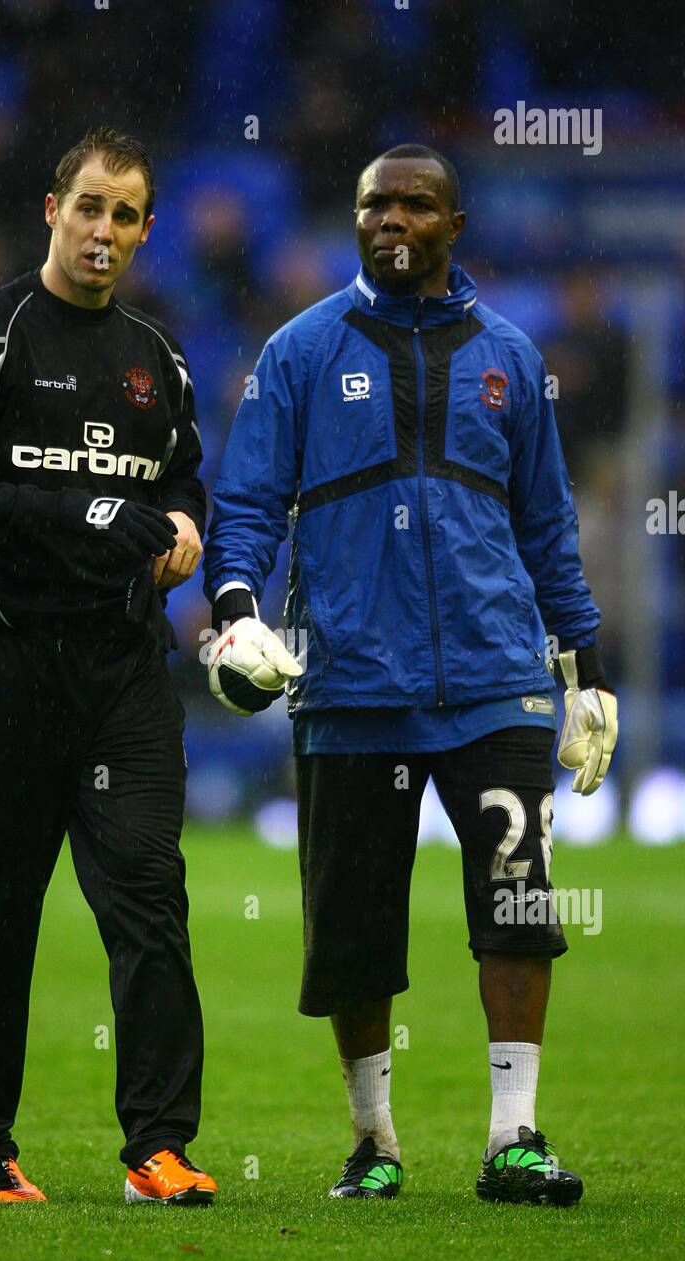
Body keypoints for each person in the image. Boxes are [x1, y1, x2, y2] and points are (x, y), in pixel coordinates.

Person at [203, 144, 617, 1206]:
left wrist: (588, 667)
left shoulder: (513, 357)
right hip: (350, 685)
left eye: (415, 204)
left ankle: (514, 1139)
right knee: (353, 934)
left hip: (496, 680)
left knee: (519, 910)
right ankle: (374, 1142)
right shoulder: (297, 353)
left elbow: (545, 522)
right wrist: (237, 607)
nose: (391, 218)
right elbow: (244, 505)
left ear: (454, 224)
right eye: (373, 203)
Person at [0, 126, 217, 1207]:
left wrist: (181, 527)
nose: (104, 231)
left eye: (126, 215)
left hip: (124, 673)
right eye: (89, 206)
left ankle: (157, 1149)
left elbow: (184, 484)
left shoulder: (155, 358)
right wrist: (78, 509)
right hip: (4, 664)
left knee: (148, 897)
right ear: (51, 208)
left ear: (145, 230)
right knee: (2, 904)